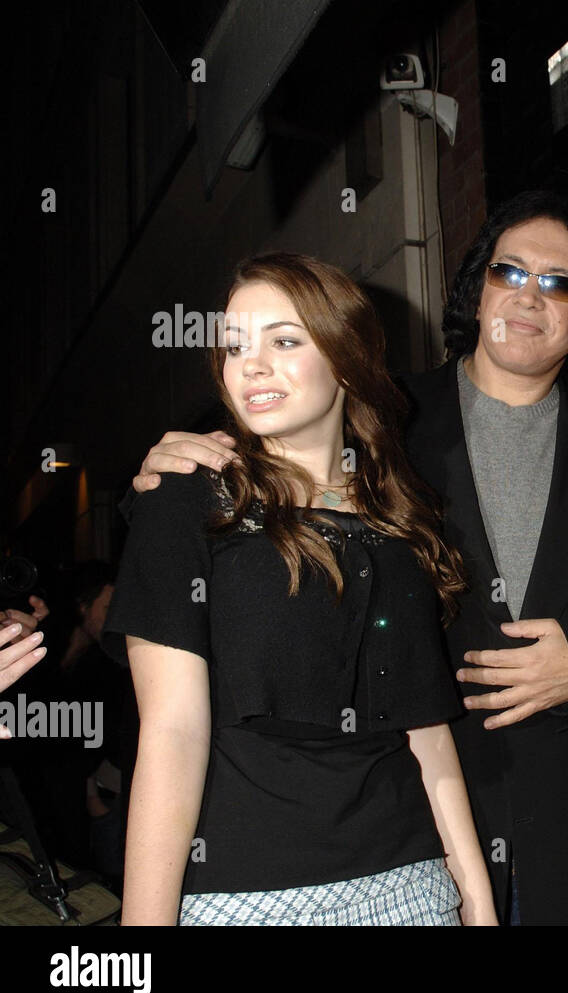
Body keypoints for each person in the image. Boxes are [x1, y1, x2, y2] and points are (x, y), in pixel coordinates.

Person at [127, 192, 568, 925]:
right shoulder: (389, 420)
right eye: (510, 272)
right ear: (477, 290)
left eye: (559, 284)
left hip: (562, 803)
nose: (528, 296)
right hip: (417, 798)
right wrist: (174, 468)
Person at [103, 252, 495, 925]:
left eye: (284, 340)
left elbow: (428, 739)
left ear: (347, 359)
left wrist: (478, 908)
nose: (250, 365)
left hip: (410, 888)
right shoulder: (187, 498)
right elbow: (170, 733)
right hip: (248, 898)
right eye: (234, 347)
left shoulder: (401, 519)